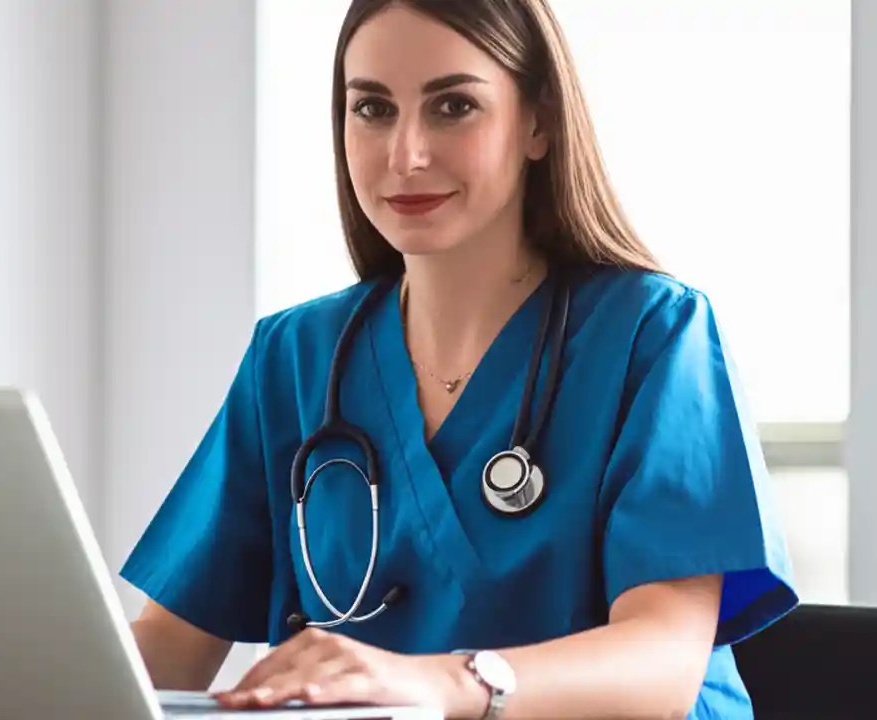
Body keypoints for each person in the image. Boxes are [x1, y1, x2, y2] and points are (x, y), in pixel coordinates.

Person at [121, 1, 797, 718]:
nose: (406, 153)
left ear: (538, 122)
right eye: (373, 109)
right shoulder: (295, 359)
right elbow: (168, 650)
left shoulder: (653, 333)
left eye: (452, 106)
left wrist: (446, 684)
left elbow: (662, 662)